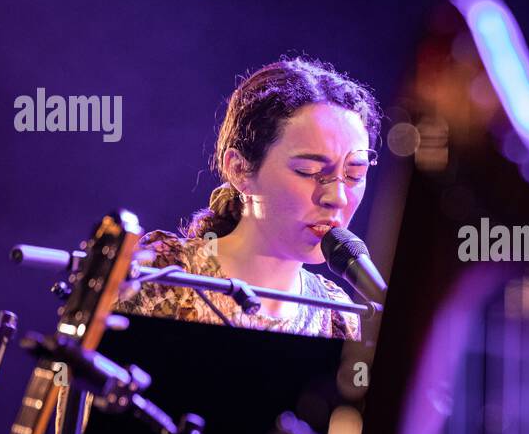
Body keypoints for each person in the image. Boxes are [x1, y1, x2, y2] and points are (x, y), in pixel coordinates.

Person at [116, 55, 383, 340]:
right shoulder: (163, 274)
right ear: (240, 169)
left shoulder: (336, 315)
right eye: (309, 171)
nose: (338, 197)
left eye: (355, 175)